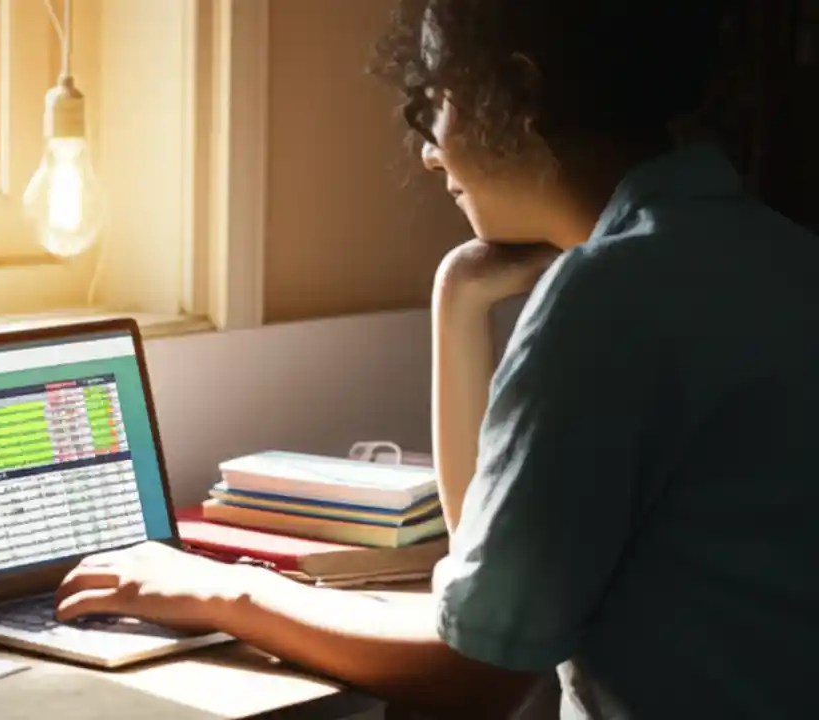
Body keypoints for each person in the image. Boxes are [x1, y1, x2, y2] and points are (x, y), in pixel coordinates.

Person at [57, 0, 819, 717]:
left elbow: (477, 670)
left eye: (433, 105)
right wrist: (458, 302)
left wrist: (223, 593)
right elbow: (490, 570)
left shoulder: (611, 300)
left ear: (517, 96)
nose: (428, 152)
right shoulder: (778, 254)